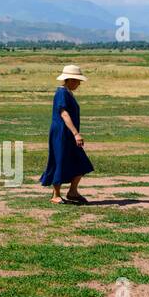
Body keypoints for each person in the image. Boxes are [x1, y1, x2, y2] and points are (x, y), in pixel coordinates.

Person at [39, 64, 94, 204]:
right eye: (76, 81)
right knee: (60, 160)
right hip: (62, 133)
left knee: (81, 161)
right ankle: (55, 195)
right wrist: (76, 133)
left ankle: (72, 192)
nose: (79, 84)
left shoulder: (68, 92)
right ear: (69, 80)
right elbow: (64, 114)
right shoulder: (62, 93)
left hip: (69, 133)